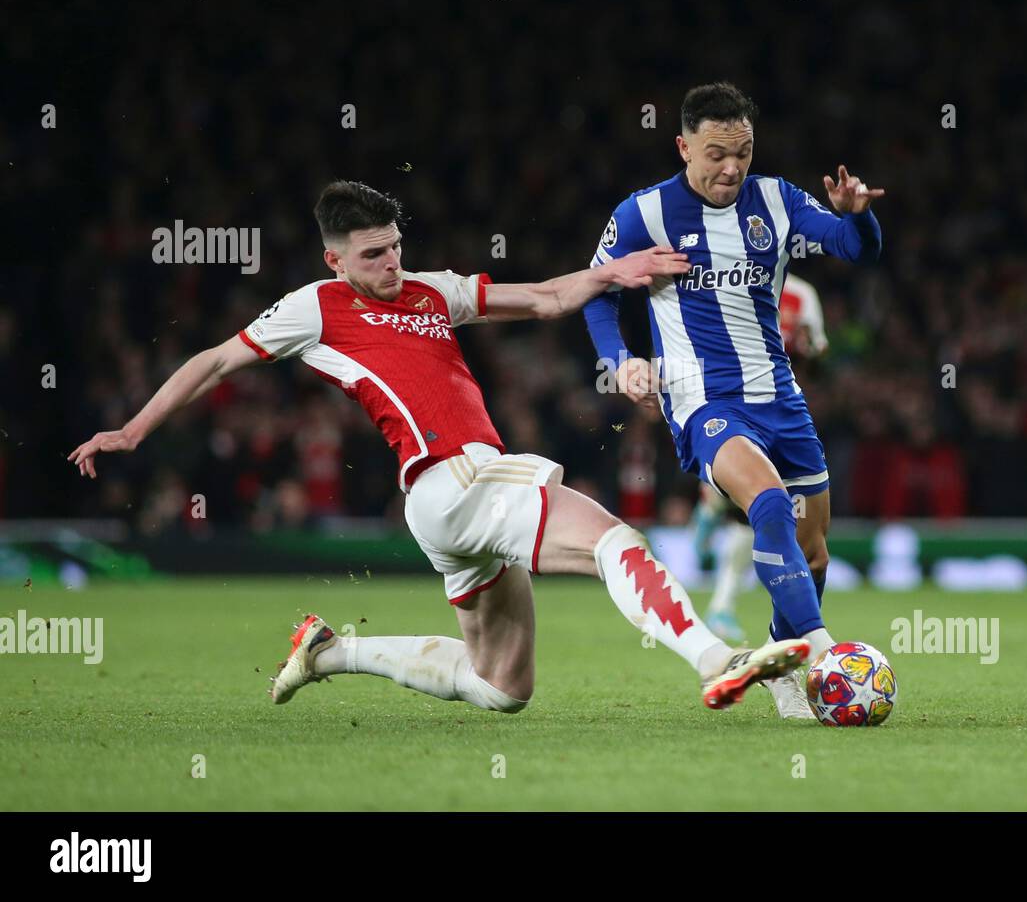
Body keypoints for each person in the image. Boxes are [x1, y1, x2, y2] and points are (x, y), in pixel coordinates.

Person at [68, 180, 809, 715]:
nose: (390, 266)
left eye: (394, 249)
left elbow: (544, 298)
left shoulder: (430, 291)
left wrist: (613, 273)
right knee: (616, 541)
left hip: (451, 504)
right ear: (335, 262)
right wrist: (134, 428)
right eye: (372, 257)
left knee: (500, 688)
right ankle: (718, 659)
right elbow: (215, 360)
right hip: (455, 481)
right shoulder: (314, 309)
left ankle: (328, 652)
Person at [582, 82, 883, 718]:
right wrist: (620, 359)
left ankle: (777, 656)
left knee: (814, 549)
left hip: (780, 394)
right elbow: (599, 290)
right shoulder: (644, 214)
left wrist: (857, 214)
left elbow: (857, 250)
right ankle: (824, 652)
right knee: (767, 501)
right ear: (683, 146)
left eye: (742, 151)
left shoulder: (775, 199)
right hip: (701, 398)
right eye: (716, 152)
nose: (731, 167)